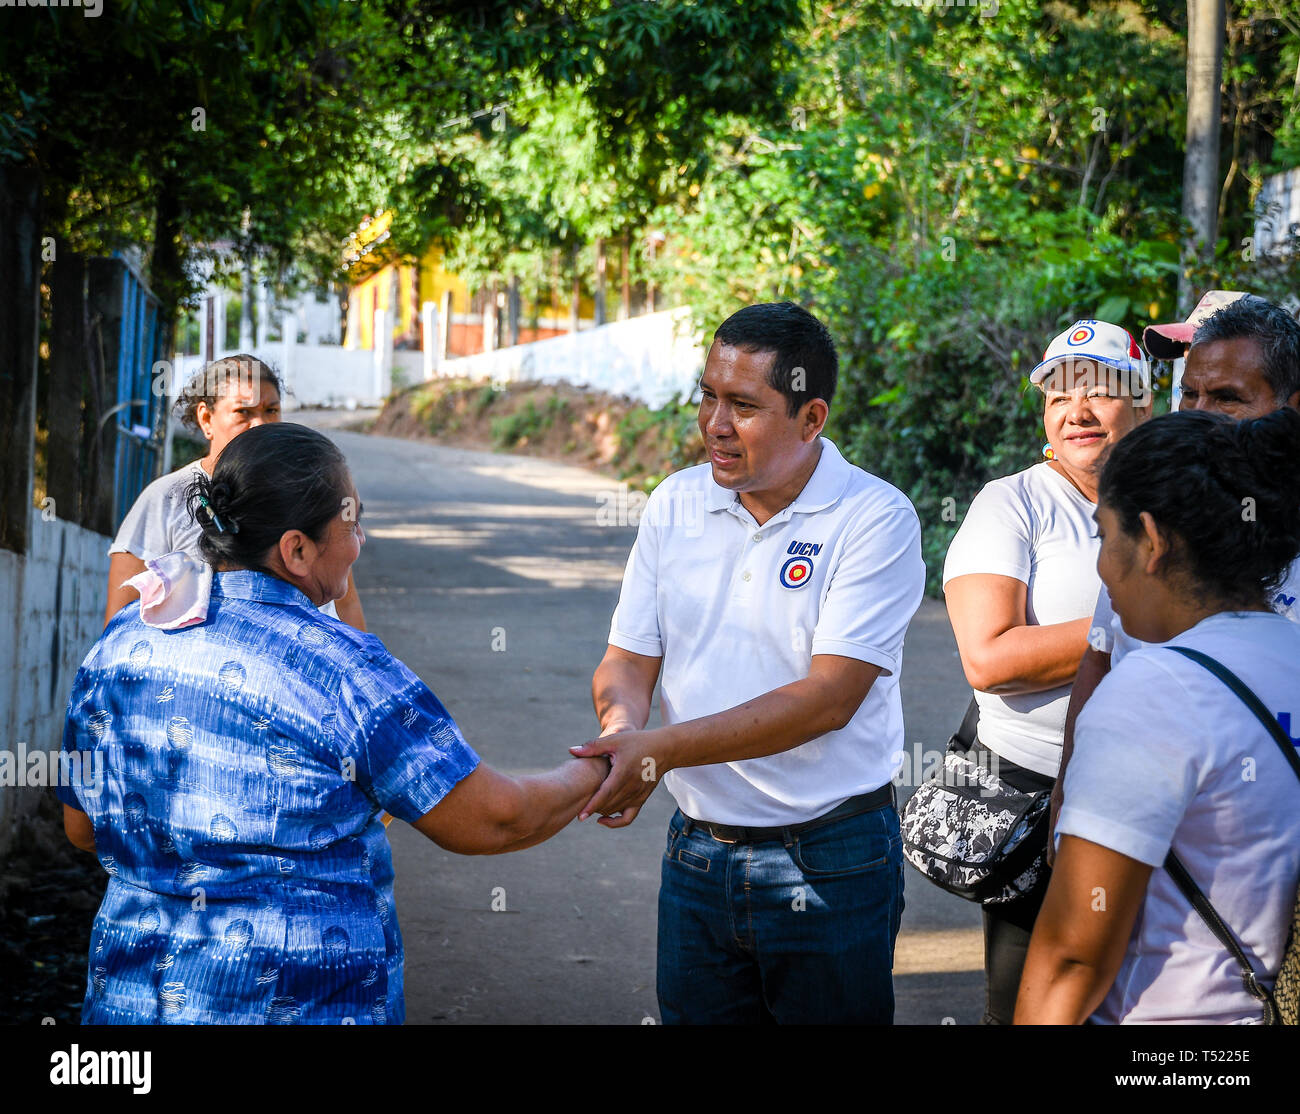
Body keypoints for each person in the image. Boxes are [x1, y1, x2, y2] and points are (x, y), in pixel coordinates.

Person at [59, 423, 608, 1024]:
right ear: (296, 549)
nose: (360, 540)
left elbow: (82, 829)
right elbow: (496, 818)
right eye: (351, 523)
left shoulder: (121, 642)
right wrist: (605, 766)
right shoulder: (345, 669)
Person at [569, 301, 925, 1024]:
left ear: (811, 417)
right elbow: (629, 659)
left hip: (832, 856)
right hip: (698, 855)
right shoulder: (675, 504)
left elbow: (829, 698)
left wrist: (658, 751)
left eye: (743, 405)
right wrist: (622, 734)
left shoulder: (874, 519)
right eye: (707, 396)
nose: (714, 425)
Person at [1017, 408, 1300, 1024]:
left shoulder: (1154, 689)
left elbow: (1073, 956)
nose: (1101, 565)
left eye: (1105, 535)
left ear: (1153, 540)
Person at [942, 319, 1152, 1024]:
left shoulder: (1176, 503)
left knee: (1148, 998)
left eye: (1101, 392)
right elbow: (990, 657)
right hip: (1031, 805)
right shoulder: (1014, 503)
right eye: (1060, 396)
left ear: (1144, 406)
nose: (1078, 411)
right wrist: (1138, 616)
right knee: (1029, 1005)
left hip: (1155, 797)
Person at [1049, 295, 1300, 858]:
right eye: (1189, 392)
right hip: (1135, 848)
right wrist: (1069, 788)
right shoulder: (1155, 511)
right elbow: (1100, 653)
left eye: (1228, 398)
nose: (1199, 411)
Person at [104, 353, 367, 630]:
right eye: (243, 412)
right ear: (206, 418)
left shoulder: (309, 488)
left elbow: (344, 601)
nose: (260, 425)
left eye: (271, 410)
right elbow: (121, 618)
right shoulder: (164, 499)